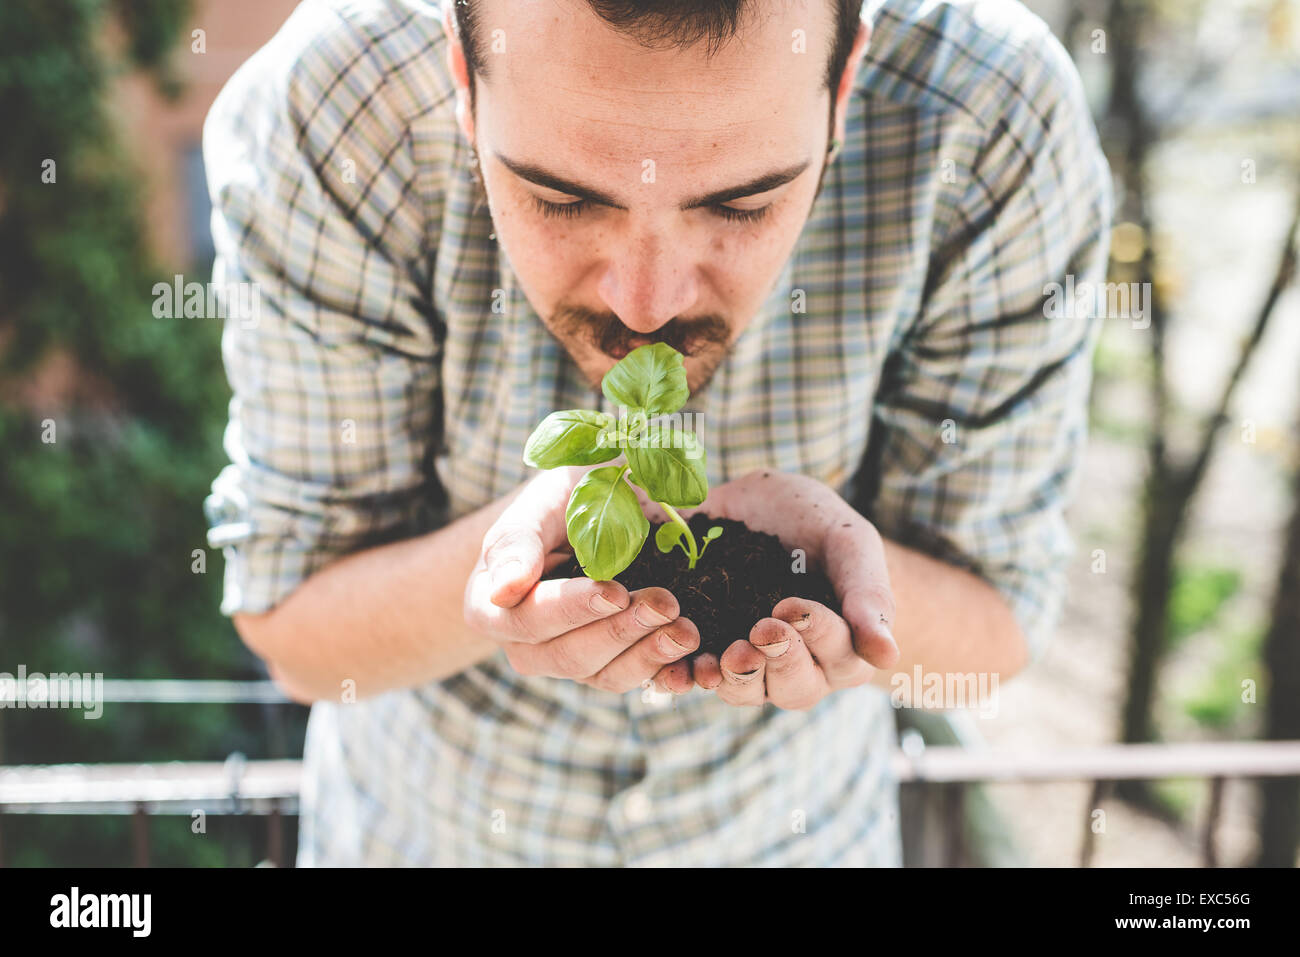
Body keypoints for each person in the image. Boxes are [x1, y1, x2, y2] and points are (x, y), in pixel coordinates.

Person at [203, 0, 1111, 865]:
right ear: (462, 78)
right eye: (560, 199)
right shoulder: (334, 107)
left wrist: (841, 583)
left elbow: (996, 627)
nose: (647, 302)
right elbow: (296, 630)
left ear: (843, 90)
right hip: (421, 839)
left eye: (741, 204)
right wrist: (510, 563)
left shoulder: (991, 117)